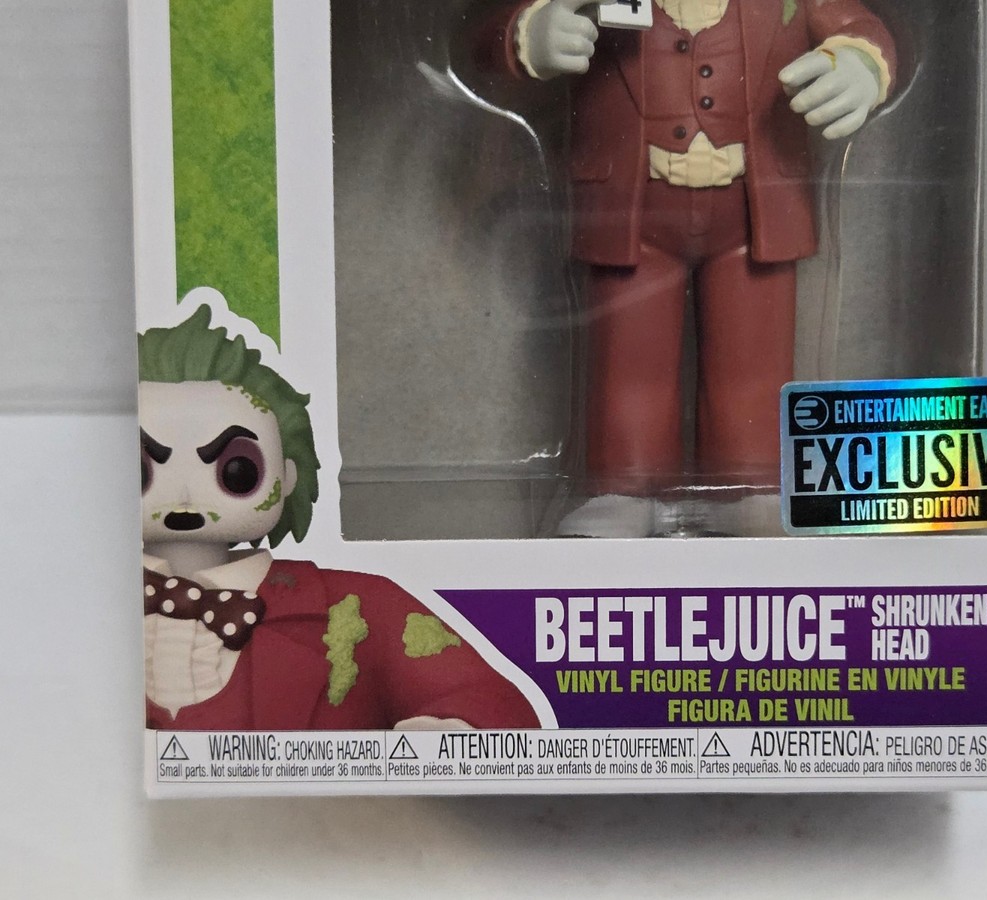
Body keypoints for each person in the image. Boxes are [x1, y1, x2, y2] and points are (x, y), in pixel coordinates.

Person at [481, 0, 897, 536]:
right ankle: (625, 487)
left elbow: (859, 24)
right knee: (628, 362)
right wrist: (530, 32)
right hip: (631, 209)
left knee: (753, 365)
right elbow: (482, 33)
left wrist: (861, 65)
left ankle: (749, 485)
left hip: (753, 213)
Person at [139, 306, 540, 730]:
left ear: (287, 475)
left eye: (237, 470)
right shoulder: (92, 610)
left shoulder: (356, 608)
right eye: (139, 468)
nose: (184, 495)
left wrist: (443, 737)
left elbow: (489, 704)